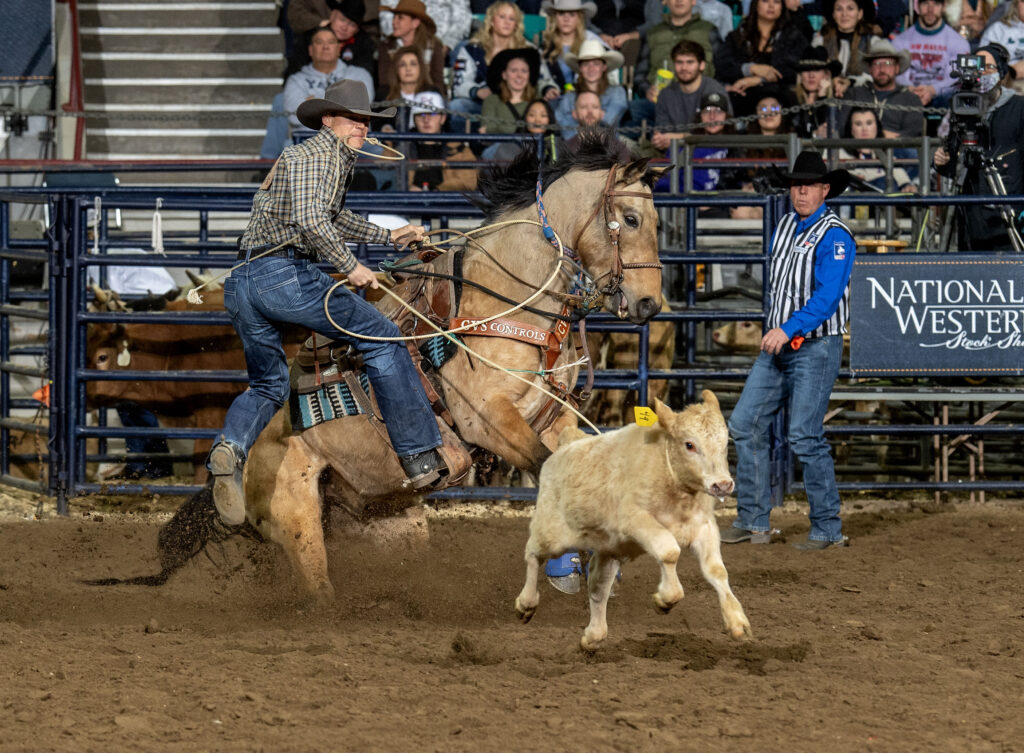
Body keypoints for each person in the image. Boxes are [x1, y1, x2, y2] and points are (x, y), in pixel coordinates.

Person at [207, 80, 447, 526]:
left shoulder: (310, 158)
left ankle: (230, 449)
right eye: (355, 119)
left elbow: (329, 216)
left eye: (366, 121)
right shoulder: (319, 155)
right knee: (384, 336)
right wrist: (351, 265)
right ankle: (419, 456)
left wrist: (387, 236)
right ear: (328, 120)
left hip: (244, 283)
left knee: (268, 386)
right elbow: (312, 219)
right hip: (284, 277)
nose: (362, 128)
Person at [723, 150, 855, 550]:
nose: (801, 191)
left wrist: (785, 328)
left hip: (814, 346)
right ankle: (754, 520)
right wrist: (780, 330)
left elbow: (828, 298)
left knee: (804, 435)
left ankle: (828, 528)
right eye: (797, 185)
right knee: (745, 424)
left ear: (824, 190)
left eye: (809, 185)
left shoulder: (835, 236)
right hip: (780, 345)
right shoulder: (785, 226)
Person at [933, 43, 1024, 251]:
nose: (983, 73)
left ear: (1001, 72)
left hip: (1009, 211)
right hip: (972, 216)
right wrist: (942, 161)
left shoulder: (1018, 108)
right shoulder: (962, 106)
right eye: (978, 68)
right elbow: (955, 159)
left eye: (989, 67)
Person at [713, 0, 809, 116]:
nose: (771, 6)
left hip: (780, 95)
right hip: (743, 95)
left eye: (776, 2)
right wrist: (751, 69)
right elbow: (722, 65)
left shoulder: (794, 36)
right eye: (765, 1)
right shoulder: (738, 36)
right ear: (755, 5)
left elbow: (794, 69)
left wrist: (759, 80)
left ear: (782, 7)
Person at [283, 26, 376, 131]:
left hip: (354, 140)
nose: (325, 47)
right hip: (309, 142)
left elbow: (360, 110)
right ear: (310, 50)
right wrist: (342, 103)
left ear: (339, 49)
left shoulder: (359, 75)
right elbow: (294, 117)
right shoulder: (295, 80)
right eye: (319, 42)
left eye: (331, 42)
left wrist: (314, 104)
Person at [637, 0, 721, 112]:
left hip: (700, 102)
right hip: (659, 103)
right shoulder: (653, 33)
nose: (679, 1)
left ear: (693, 1)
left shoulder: (708, 30)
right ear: (665, 2)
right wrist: (647, 90)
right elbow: (640, 75)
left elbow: (722, 70)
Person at [652, 39, 731, 150]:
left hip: (709, 152)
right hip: (673, 153)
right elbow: (662, 132)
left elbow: (720, 133)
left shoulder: (714, 91)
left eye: (690, 62)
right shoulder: (665, 94)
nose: (684, 68)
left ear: (702, 65)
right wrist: (659, 140)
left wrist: (679, 137)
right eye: (679, 62)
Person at [892, 0, 971, 107]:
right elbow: (897, 74)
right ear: (917, 6)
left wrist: (933, 90)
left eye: (936, 4)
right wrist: (910, 89)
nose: (930, 9)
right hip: (907, 96)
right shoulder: (899, 41)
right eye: (925, 3)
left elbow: (955, 78)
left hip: (943, 100)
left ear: (943, 7)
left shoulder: (960, 43)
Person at [842, 39, 924, 138]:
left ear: (897, 68)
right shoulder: (854, 94)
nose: (882, 69)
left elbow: (912, 133)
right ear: (870, 68)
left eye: (888, 63)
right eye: (876, 64)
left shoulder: (910, 99)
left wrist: (879, 136)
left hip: (897, 148)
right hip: (857, 147)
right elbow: (842, 127)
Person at [555, 39, 628, 133]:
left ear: (604, 67)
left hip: (608, 144)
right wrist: (597, 115)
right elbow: (561, 120)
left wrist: (581, 116)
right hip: (576, 145)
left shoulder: (617, 92)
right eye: (585, 64)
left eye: (596, 64)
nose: (591, 69)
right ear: (580, 68)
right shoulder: (570, 97)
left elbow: (611, 119)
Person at [479, 47, 541, 157]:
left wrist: (499, 128)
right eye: (514, 70)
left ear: (529, 75)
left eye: (524, 71)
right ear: (504, 75)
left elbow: (544, 130)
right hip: (498, 151)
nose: (519, 75)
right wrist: (526, 129)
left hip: (530, 150)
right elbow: (486, 133)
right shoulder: (492, 100)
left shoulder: (537, 101)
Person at [378, 0, 448, 96]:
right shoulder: (386, 46)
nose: (394, 22)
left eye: (400, 18)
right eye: (394, 17)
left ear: (415, 23)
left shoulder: (433, 45)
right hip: (395, 98)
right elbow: (384, 82)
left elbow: (438, 80)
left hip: (427, 98)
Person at [838, 106, 917, 191]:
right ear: (851, 129)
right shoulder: (838, 151)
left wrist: (906, 185)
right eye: (858, 124)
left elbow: (899, 174)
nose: (864, 129)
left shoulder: (886, 151)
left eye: (869, 123)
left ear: (876, 126)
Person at [811, 0, 883, 88]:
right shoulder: (820, 42)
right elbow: (811, 72)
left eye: (850, 8)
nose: (844, 14)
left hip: (862, 97)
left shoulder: (873, 43)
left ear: (860, 14)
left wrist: (851, 81)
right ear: (833, 14)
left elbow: (879, 75)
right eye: (839, 9)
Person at [539, 0, 602, 93]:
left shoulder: (590, 41)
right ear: (555, 17)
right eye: (561, 14)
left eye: (572, 15)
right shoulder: (546, 45)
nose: (566, 19)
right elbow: (542, 76)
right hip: (556, 99)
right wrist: (549, 88)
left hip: (586, 96)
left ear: (579, 18)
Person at [563, 92, 635, 160]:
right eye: (584, 107)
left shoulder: (619, 148)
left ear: (601, 113)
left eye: (595, 107)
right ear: (574, 113)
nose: (590, 111)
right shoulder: (566, 148)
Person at [790, 45, 842, 138]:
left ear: (826, 75)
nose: (811, 75)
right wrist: (814, 134)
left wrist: (822, 96)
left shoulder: (836, 102)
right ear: (800, 75)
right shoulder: (790, 99)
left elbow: (826, 129)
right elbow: (793, 133)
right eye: (806, 70)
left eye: (817, 70)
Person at [979, 0, 1024, 87]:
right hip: (1003, 86)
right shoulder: (998, 30)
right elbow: (982, 66)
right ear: (1015, 3)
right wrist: (1012, 71)